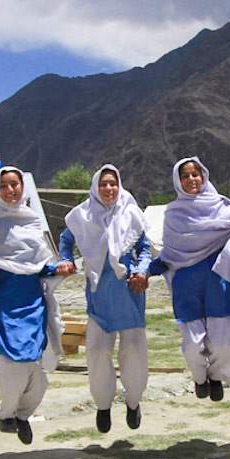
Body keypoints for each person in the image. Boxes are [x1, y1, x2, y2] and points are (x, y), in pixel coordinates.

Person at [149, 157, 230, 400]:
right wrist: (147, 270)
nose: (191, 180)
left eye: (195, 174)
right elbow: (169, 253)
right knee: (193, 345)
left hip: (219, 283)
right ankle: (199, 376)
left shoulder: (223, 208)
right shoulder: (173, 214)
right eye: (185, 176)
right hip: (187, 286)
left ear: (204, 176)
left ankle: (217, 377)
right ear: (177, 181)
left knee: (227, 345)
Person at [0, 167, 74, 443]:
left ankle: (22, 414)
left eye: (14, 185)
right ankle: (7, 414)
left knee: (35, 365)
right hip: (4, 303)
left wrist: (58, 271)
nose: (10, 191)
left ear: (22, 186)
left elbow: (41, 265)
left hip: (33, 303)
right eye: (4, 186)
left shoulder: (31, 221)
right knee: (11, 362)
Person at [59, 165, 152, 433]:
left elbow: (143, 249)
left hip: (129, 291)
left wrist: (143, 270)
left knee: (133, 351)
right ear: (95, 188)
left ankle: (133, 402)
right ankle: (103, 405)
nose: (108, 189)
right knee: (98, 352)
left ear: (119, 185)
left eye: (112, 184)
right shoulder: (82, 216)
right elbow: (66, 241)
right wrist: (66, 260)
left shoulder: (131, 213)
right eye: (103, 184)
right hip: (99, 292)